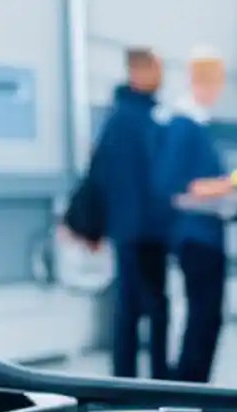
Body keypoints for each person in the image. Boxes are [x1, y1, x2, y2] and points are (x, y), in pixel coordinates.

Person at [84, 48, 170, 380]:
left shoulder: (142, 116)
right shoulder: (128, 120)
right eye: (154, 69)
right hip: (136, 229)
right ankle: (144, 381)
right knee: (140, 310)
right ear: (136, 72)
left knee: (141, 309)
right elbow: (102, 177)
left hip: (146, 229)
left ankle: (140, 379)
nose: (159, 77)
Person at [154, 49, 234, 384]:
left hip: (208, 235)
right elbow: (176, 184)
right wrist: (227, 185)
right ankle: (190, 387)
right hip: (194, 237)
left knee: (208, 317)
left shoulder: (198, 125)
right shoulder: (182, 125)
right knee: (201, 317)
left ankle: (197, 384)